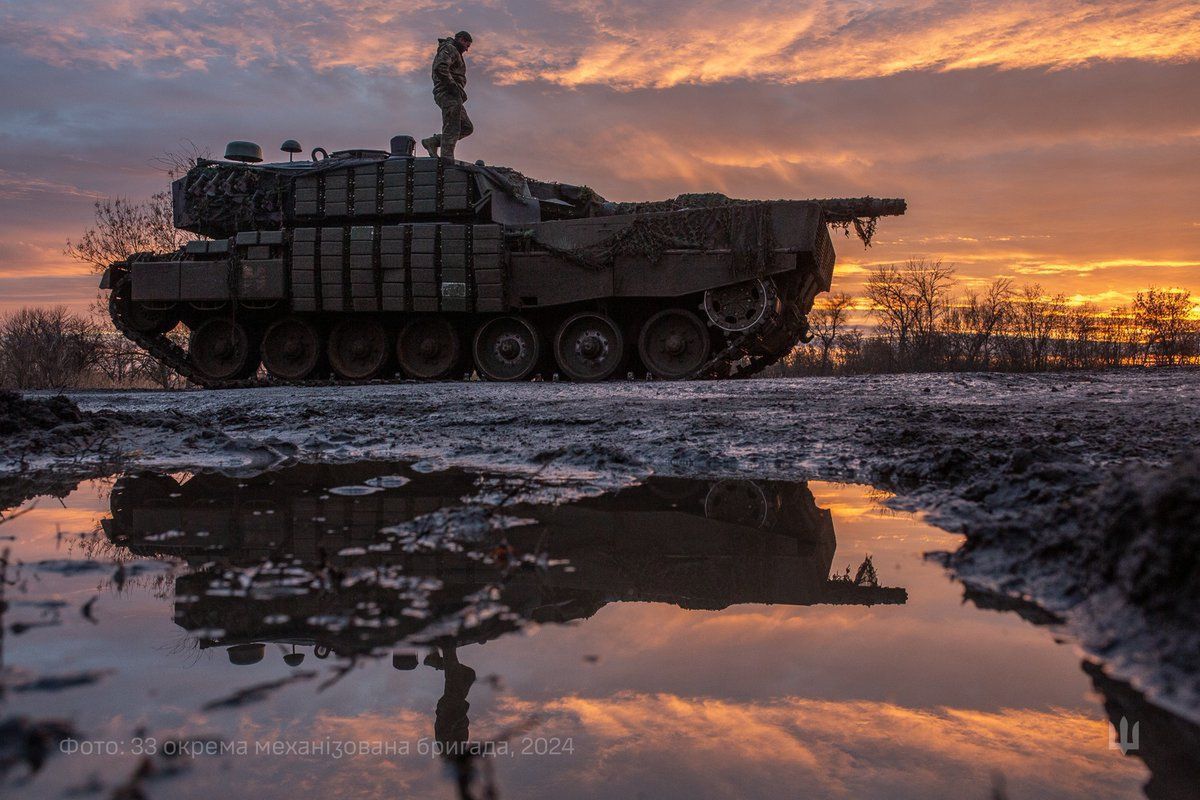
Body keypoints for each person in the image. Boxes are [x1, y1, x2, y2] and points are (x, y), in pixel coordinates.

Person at [421, 31, 474, 161]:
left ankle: (433, 142)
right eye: (467, 45)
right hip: (447, 92)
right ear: (461, 39)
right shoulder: (450, 48)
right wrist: (453, 87)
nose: (467, 49)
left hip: (454, 94)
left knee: (466, 127)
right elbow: (440, 68)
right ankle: (447, 158)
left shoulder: (454, 51)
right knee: (452, 125)